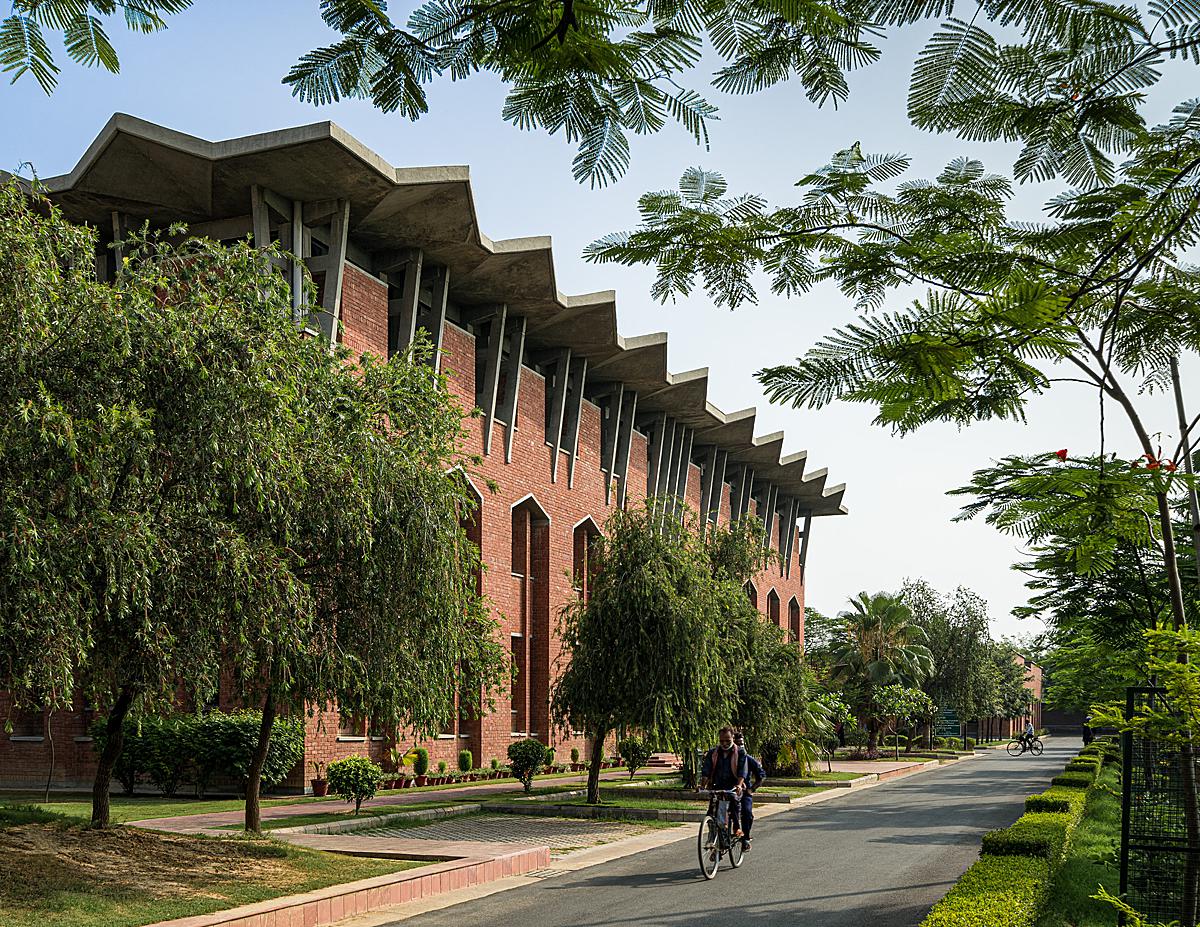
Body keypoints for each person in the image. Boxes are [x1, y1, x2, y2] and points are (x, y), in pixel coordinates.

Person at [700, 726, 746, 837]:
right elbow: (706, 771)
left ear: (733, 738)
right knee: (711, 812)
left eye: (727, 740)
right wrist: (702, 786)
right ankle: (713, 838)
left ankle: (736, 827)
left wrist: (739, 785)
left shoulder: (739, 752)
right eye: (722, 741)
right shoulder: (713, 753)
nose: (724, 743)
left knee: (734, 802)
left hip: (733, 786)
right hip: (717, 786)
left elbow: (742, 771)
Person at [732, 731, 765, 850]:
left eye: (742, 744)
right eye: (737, 744)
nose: (740, 747)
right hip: (728, 790)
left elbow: (761, 775)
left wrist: (751, 789)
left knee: (746, 812)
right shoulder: (724, 757)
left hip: (744, 792)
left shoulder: (748, 759)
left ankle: (745, 838)